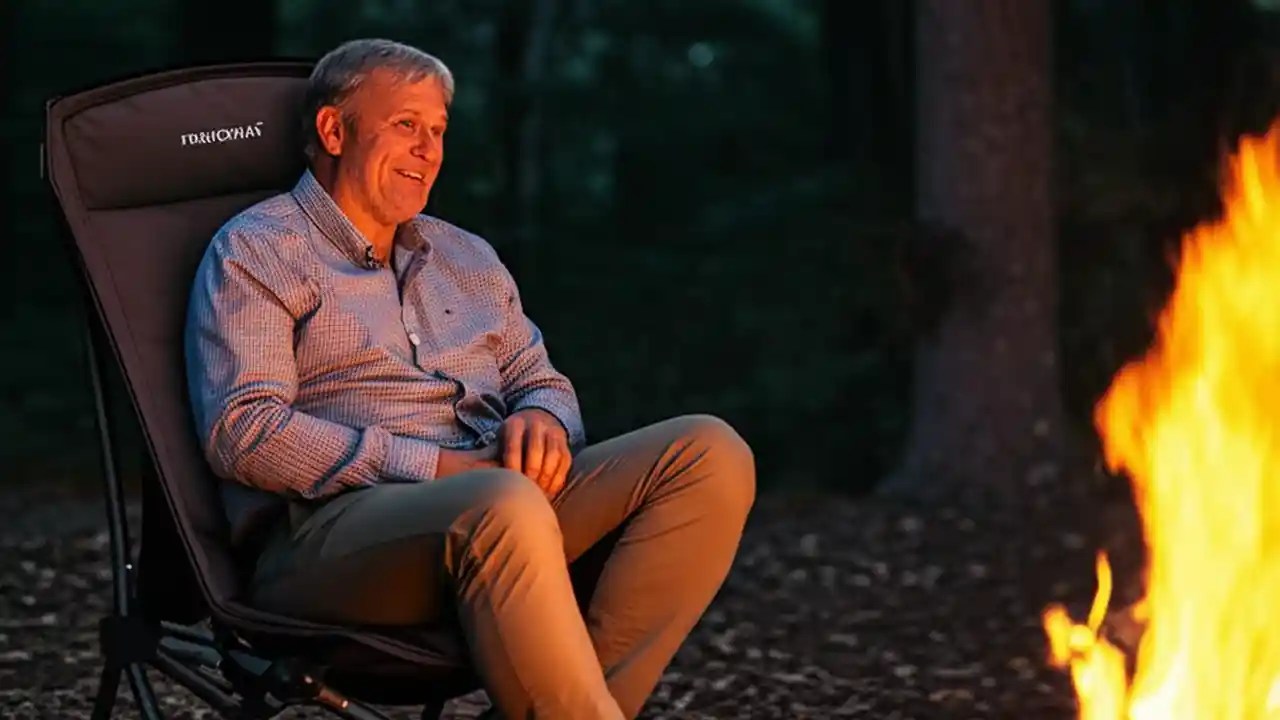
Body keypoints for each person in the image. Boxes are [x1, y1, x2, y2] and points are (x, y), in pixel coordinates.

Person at [183, 38, 755, 719]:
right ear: (334, 131)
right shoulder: (258, 249)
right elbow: (242, 431)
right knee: (500, 503)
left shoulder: (467, 255)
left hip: (506, 506)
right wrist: (438, 471)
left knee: (708, 453)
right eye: (406, 125)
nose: (429, 149)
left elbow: (538, 377)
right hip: (334, 539)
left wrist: (543, 418)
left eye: (438, 131)